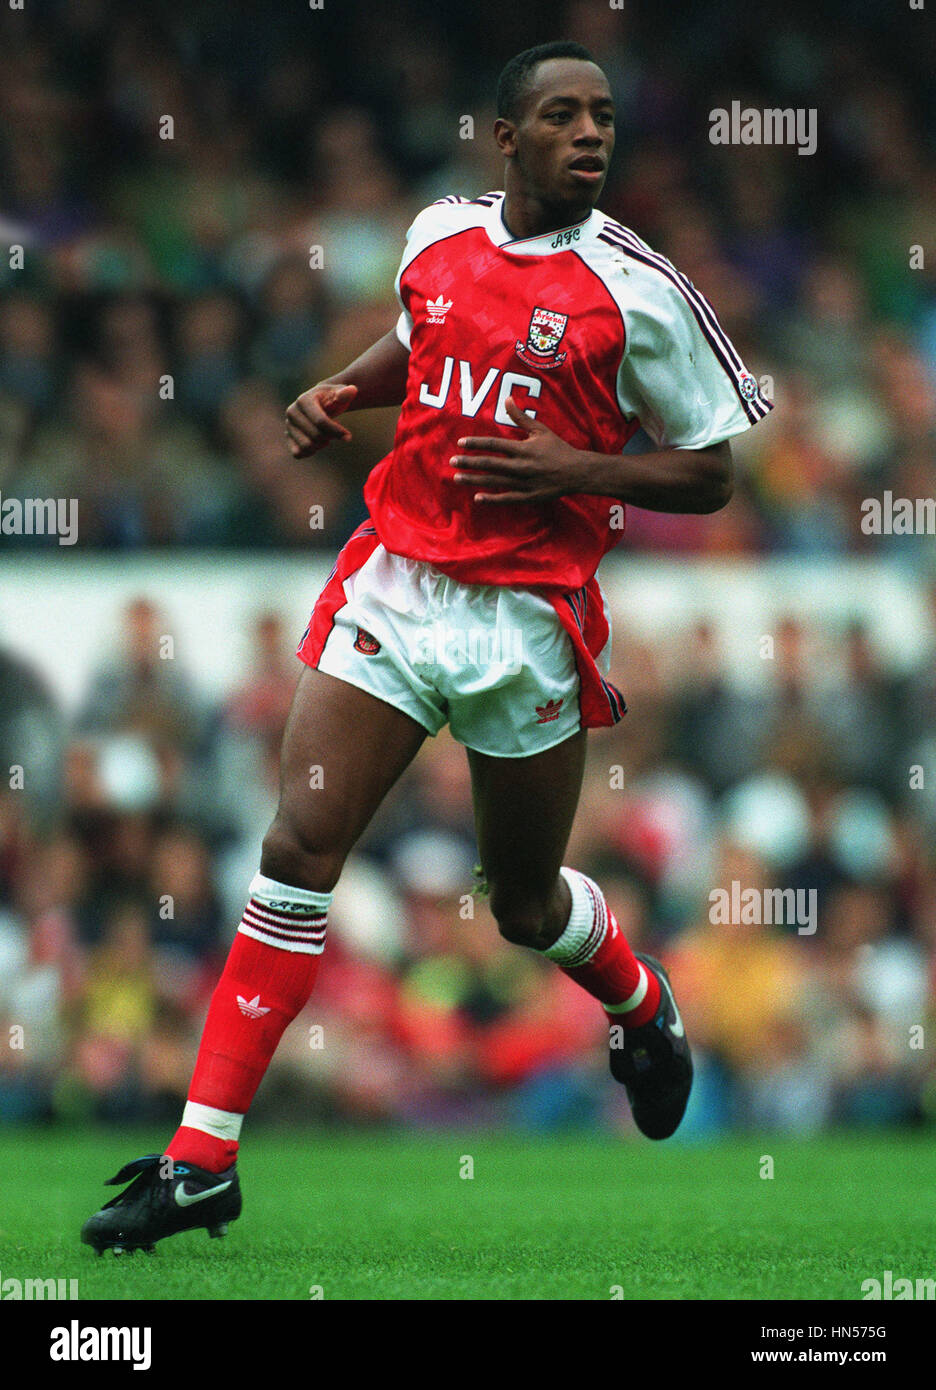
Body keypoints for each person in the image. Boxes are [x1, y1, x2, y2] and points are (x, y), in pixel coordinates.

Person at [81, 40, 772, 1255]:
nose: (590, 135)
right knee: (299, 843)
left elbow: (712, 470)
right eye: (561, 117)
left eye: (603, 117)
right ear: (505, 138)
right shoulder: (436, 232)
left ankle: (640, 1001)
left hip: (526, 620)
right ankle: (201, 1160)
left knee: (517, 902)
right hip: (400, 583)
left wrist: (580, 468)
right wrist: (348, 389)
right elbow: (423, 335)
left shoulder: (641, 288)